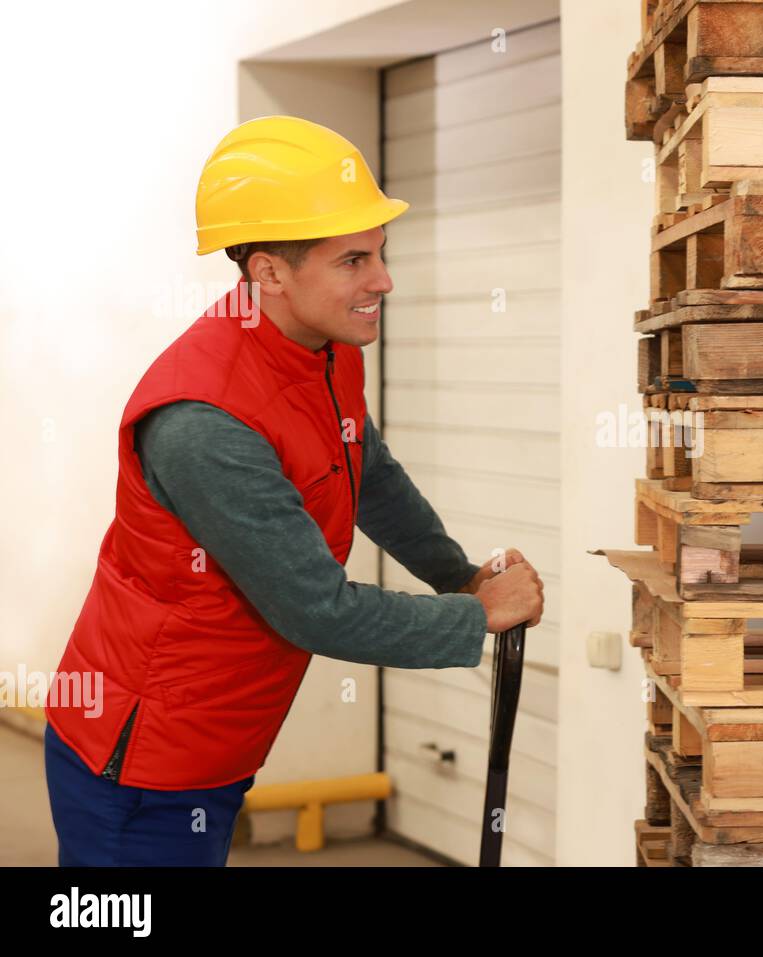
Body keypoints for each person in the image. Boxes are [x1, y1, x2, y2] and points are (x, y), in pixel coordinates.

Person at [44, 115, 544, 866]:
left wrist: (459, 573)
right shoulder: (204, 422)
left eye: (380, 253)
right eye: (353, 260)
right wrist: (473, 617)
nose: (383, 280)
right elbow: (318, 609)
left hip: (220, 737)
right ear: (268, 273)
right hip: (143, 764)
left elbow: (367, 476)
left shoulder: (322, 351)